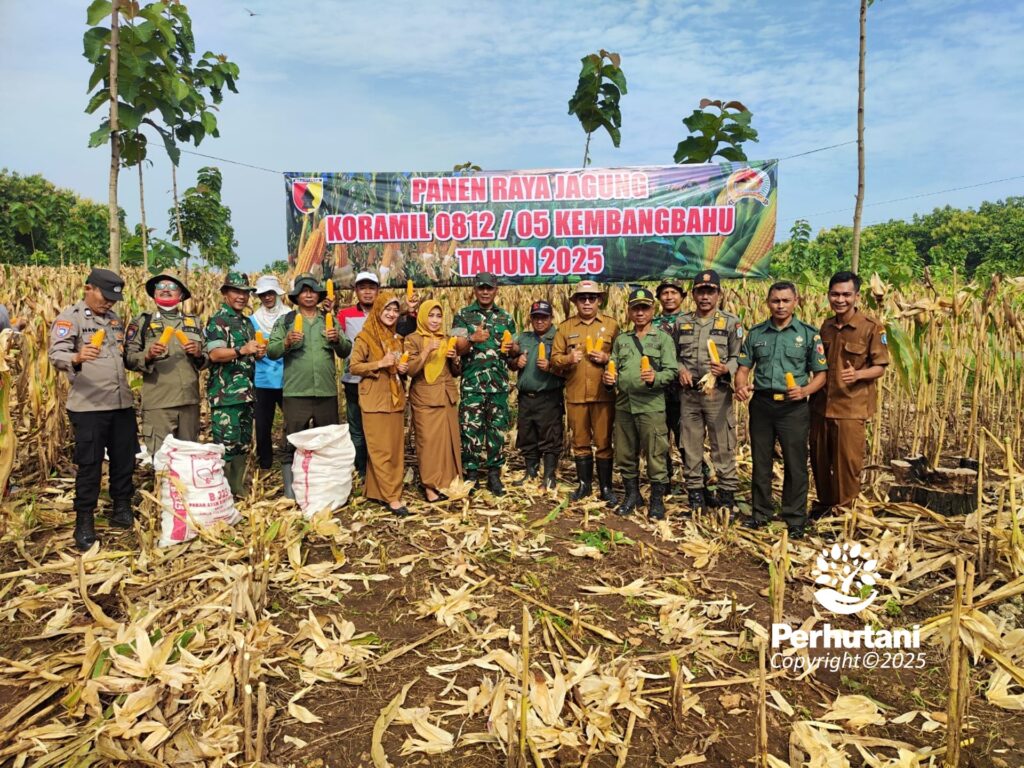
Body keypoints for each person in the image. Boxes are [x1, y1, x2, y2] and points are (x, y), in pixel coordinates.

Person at [48, 268, 136, 550]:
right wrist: (77, 356)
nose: (109, 303)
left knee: (124, 459)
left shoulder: (114, 320)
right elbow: (56, 354)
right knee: (90, 465)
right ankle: (84, 520)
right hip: (89, 406)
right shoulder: (70, 318)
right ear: (89, 288)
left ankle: (121, 507)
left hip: (121, 403)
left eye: (114, 299)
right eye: (105, 296)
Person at [734, 281, 828, 538]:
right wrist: (740, 387)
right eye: (775, 300)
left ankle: (795, 517)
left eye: (786, 300)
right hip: (762, 404)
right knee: (760, 461)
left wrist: (806, 390)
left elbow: (821, 374)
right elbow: (743, 369)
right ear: (768, 302)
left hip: (793, 407)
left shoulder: (808, 334)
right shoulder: (756, 334)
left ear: (796, 302)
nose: (780, 305)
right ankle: (760, 513)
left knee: (795, 463)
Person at [810, 271, 889, 517]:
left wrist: (857, 375)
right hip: (821, 405)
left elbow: (880, 367)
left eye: (846, 294)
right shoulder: (826, 326)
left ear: (856, 296)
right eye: (835, 294)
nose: (840, 299)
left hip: (850, 408)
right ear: (828, 296)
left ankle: (844, 514)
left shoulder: (871, 328)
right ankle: (824, 506)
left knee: (847, 465)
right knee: (820, 461)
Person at [267, 273, 352, 498]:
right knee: (292, 440)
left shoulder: (330, 320)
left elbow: (345, 351)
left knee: (328, 442)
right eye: (303, 291)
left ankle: (327, 488)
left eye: (312, 290)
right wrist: (286, 342)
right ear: (296, 296)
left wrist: (336, 340)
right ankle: (290, 490)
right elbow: (271, 351)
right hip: (297, 392)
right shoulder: (285, 321)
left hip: (326, 391)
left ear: (318, 295)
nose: (308, 294)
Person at [602, 288, 679, 519]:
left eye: (644, 308)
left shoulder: (663, 339)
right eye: (635, 308)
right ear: (629, 311)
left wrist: (656, 378)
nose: (640, 312)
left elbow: (672, 371)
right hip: (624, 405)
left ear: (652, 310)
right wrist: (608, 380)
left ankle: (657, 501)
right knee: (625, 454)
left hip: (651, 405)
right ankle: (632, 496)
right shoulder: (622, 340)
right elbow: (613, 366)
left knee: (655, 454)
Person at [672, 270, 743, 514]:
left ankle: (726, 498)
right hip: (689, 394)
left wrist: (726, 369)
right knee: (691, 445)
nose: (705, 297)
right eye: (700, 292)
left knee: (722, 445)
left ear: (718, 294)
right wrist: (680, 369)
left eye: (710, 291)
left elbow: (738, 357)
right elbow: (674, 356)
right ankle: (696, 495)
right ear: (693, 294)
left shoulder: (731, 322)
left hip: (718, 394)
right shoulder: (682, 322)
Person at [124, 271, 207, 458]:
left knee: (188, 461)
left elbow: (207, 359)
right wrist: (148, 355)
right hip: (159, 403)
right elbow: (128, 358)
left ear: (181, 295)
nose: (166, 290)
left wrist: (199, 353)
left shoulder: (194, 322)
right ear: (154, 294)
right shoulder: (142, 321)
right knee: (162, 461)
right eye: (161, 287)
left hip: (189, 402)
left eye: (172, 287)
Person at [551, 280, 619, 503]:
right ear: (576, 302)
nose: (587, 302)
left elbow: (624, 356)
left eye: (592, 298)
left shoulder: (612, 326)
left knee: (603, 442)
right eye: (583, 298)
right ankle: (584, 485)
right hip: (576, 394)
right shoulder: (565, 327)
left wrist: (607, 358)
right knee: (580, 442)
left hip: (603, 396)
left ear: (599, 300)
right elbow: (554, 360)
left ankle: (606, 487)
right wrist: (568, 359)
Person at [452, 272, 516, 496]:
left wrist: (514, 350)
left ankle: (494, 474)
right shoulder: (462, 315)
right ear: (475, 290)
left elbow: (513, 350)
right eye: (481, 288)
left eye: (489, 288)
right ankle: (471, 473)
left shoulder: (505, 317)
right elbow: (455, 347)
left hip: (498, 384)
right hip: (472, 385)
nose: (486, 292)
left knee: (496, 431)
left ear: (496, 289)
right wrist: (471, 339)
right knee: (470, 430)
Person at [204, 272, 266, 498]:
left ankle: (237, 490)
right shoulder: (218, 321)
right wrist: (242, 350)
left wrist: (257, 353)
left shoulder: (246, 323)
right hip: (226, 396)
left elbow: (249, 355)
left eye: (245, 292)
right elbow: (215, 354)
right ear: (224, 293)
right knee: (226, 447)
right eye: (236, 291)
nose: (241, 296)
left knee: (242, 445)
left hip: (246, 395)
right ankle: (221, 494)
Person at [349, 295, 410, 516]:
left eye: (395, 310)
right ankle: (392, 497)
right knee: (380, 450)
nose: (392, 314)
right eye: (387, 309)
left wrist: (402, 368)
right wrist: (380, 363)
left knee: (394, 449)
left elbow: (401, 364)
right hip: (374, 399)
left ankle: (375, 491)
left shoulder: (397, 338)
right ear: (377, 310)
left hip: (394, 398)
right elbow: (354, 366)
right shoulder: (364, 337)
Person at [404, 299, 462, 502]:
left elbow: (455, 372)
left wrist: (455, 358)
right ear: (422, 317)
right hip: (425, 399)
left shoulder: (446, 338)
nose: (435, 320)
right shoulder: (412, 339)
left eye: (439, 316)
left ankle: (447, 484)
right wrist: (427, 350)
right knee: (428, 443)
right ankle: (430, 486)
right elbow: (411, 370)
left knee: (447, 442)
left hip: (446, 396)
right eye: (431, 315)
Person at [509, 300, 563, 490]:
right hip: (526, 397)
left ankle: (549, 475)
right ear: (531, 319)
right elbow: (510, 359)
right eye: (536, 317)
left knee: (550, 437)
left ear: (551, 318)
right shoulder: (524, 338)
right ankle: (530, 473)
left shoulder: (559, 338)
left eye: (544, 317)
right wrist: (516, 361)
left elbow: (567, 365)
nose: (540, 321)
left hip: (548, 396)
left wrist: (551, 367)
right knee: (527, 435)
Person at [336, 271, 382, 479]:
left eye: (371, 288)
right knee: (357, 427)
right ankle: (361, 469)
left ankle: (377, 468)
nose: (367, 292)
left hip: (379, 379)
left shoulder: (386, 312)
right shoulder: (344, 315)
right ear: (356, 291)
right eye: (362, 288)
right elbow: (338, 342)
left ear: (378, 291)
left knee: (377, 427)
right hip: (354, 379)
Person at [250, 275, 289, 470]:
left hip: (287, 378)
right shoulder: (253, 320)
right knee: (263, 425)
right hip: (262, 379)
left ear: (277, 294)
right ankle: (265, 463)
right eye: (263, 294)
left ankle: (292, 458)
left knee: (293, 421)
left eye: (270, 293)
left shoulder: (290, 316)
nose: (267, 297)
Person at [656, 280, 687, 490]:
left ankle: (698, 482)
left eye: (673, 292)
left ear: (682, 297)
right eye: (664, 293)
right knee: (659, 440)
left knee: (685, 439)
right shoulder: (652, 323)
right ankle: (663, 480)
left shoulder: (691, 321)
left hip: (684, 392)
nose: (669, 296)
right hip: (658, 390)